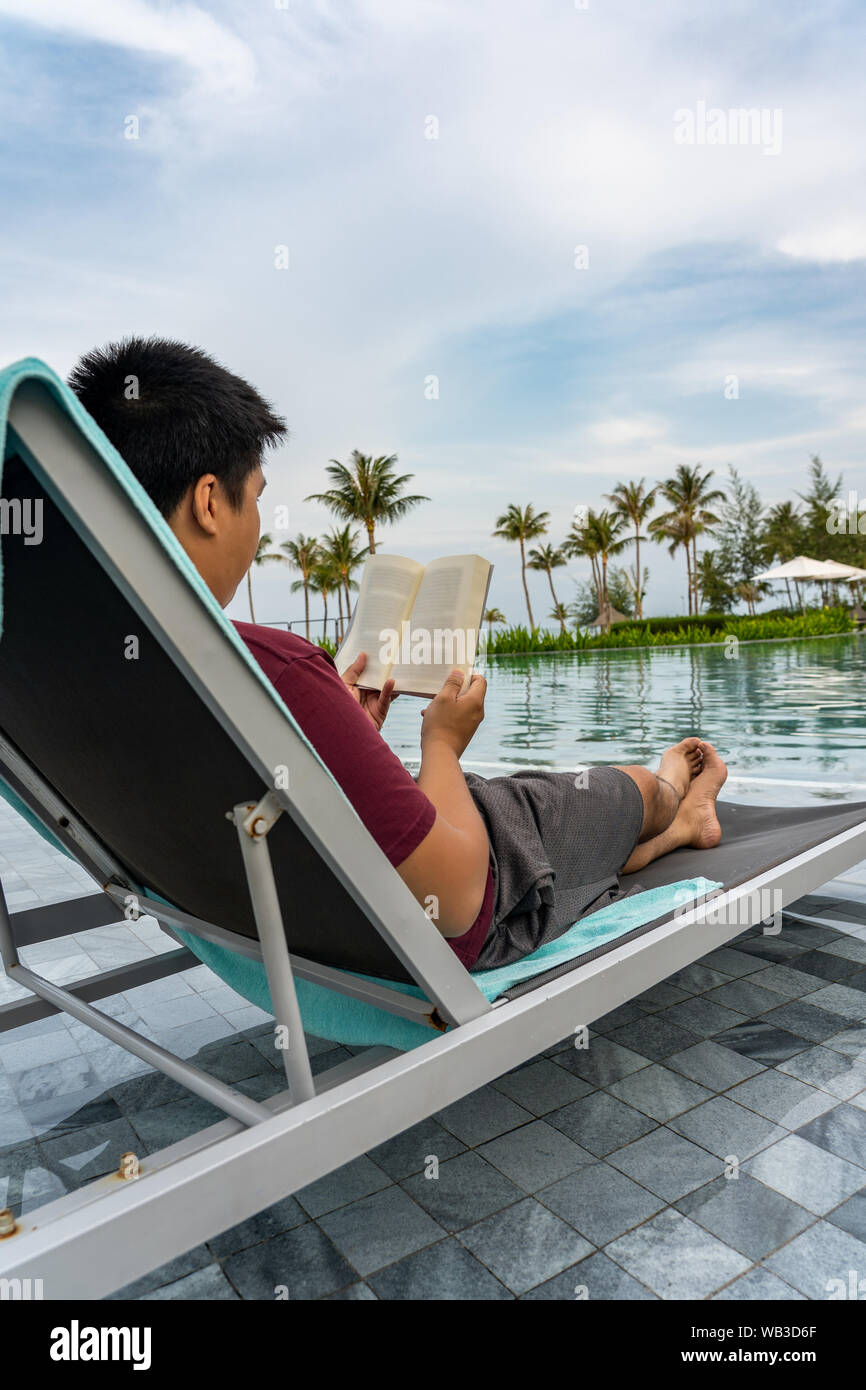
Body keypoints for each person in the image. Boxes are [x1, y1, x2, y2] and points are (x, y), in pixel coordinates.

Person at [68, 336, 728, 972]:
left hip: (302, 919)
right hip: (457, 906)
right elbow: (459, 901)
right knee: (626, 790)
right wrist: (441, 743)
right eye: (259, 496)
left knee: (552, 828)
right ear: (210, 502)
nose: (257, 522)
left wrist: (343, 735)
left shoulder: (86, 673)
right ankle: (675, 796)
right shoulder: (273, 670)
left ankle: (677, 832)